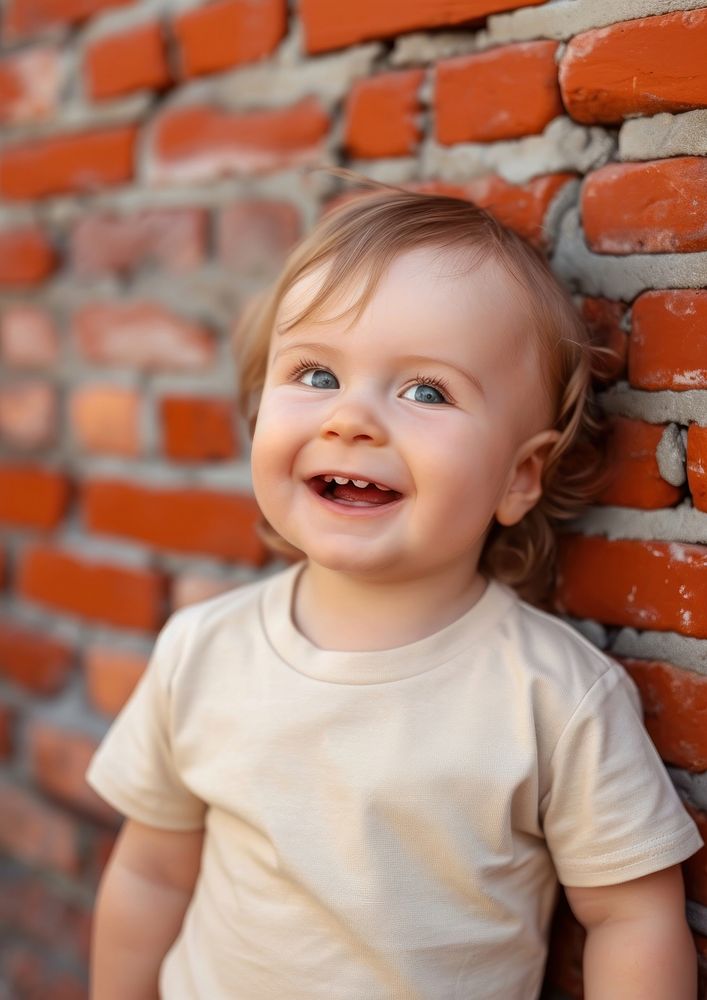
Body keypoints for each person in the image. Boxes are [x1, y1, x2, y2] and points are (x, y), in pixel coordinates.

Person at [87, 182, 702, 1000]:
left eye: (425, 392)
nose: (350, 420)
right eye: (313, 373)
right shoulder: (202, 650)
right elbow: (154, 874)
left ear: (519, 477)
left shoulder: (553, 696)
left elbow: (631, 920)